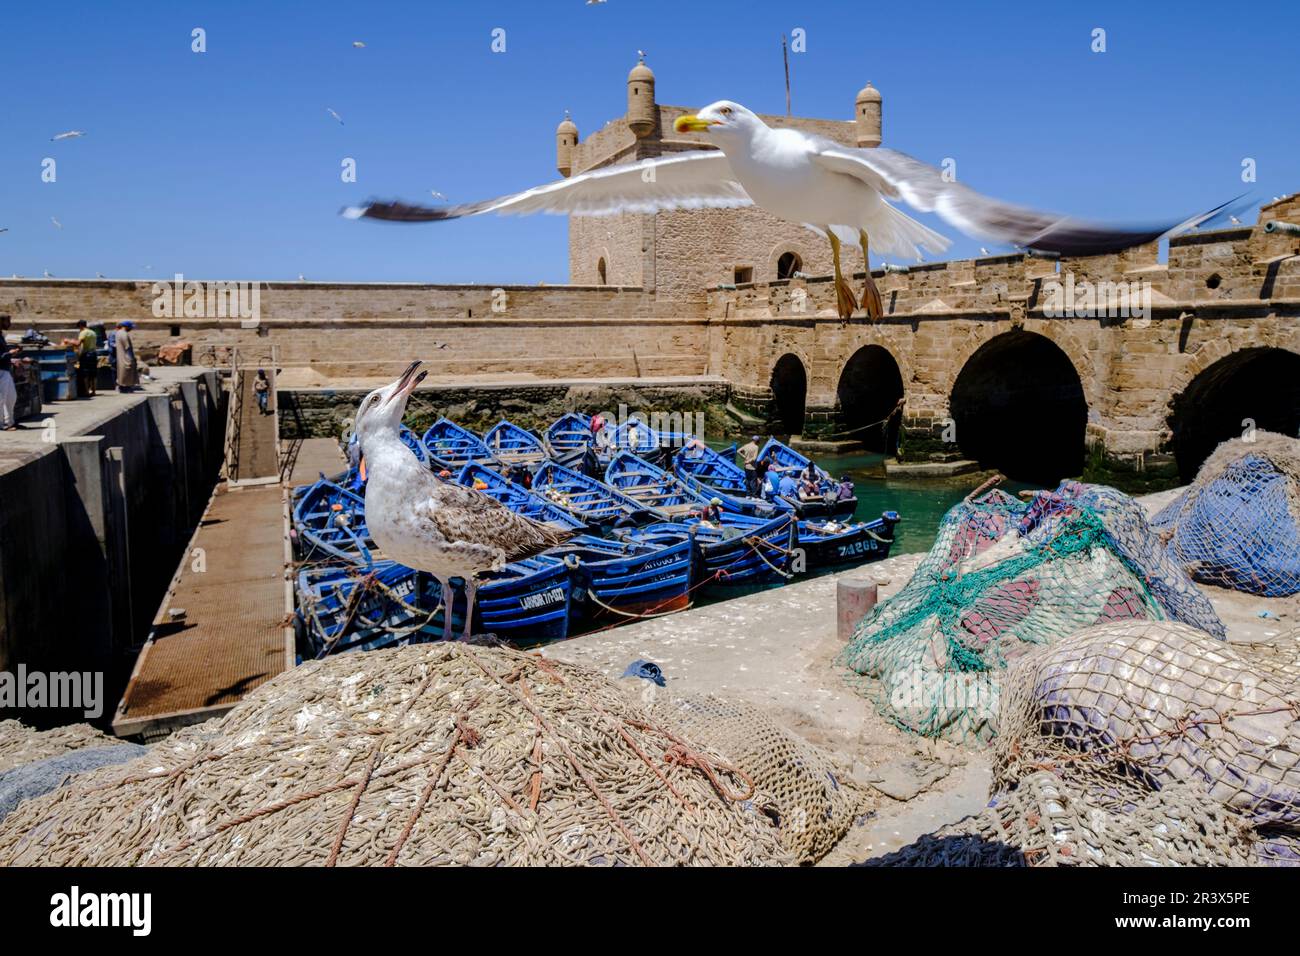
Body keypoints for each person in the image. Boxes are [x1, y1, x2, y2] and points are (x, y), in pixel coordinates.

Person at [60, 320, 98, 398]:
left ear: (81, 326)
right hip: (93, 353)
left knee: (85, 373)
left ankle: (86, 391)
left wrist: (68, 341)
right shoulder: (92, 332)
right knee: (93, 373)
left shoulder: (83, 332)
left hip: (87, 354)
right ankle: (94, 391)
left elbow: (78, 344)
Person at [0, 314, 20, 431]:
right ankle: (1, 424)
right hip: (1, 371)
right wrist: (9, 354)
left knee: (11, 397)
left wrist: (12, 356)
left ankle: (10, 422)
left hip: (5, 370)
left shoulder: (1, 336)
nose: (10, 324)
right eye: (8, 321)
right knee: (1, 398)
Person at [114, 320, 139, 391]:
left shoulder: (118, 333)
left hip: (121, 356)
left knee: (122, 371)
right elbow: (127, 347)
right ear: (126, 327)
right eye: (130, 327)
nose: (131, 329)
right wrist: (132, 358)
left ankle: (122, 386)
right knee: (127, 371)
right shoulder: (124, 334)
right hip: (126, 356)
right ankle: (125, 387)